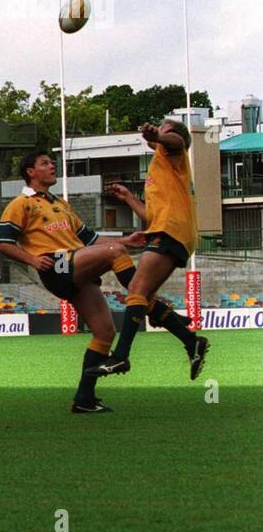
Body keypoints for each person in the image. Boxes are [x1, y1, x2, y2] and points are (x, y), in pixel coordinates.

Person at [0, 150, 153, 412]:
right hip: (57, 265)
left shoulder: (61, 204)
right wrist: (32, 260)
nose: (52, 166)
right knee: (115, 253)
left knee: (105, 332)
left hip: (76, 266)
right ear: (31, 172)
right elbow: (2, 242)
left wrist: (126, 240)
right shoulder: (21, 203)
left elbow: (90, 240)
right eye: (45, 163)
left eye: (51, 162)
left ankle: (84, 400)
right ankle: (150, 302)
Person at [88, 120, 210, 379]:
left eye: (161, 128)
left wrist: (159, 136)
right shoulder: (161, 165)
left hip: (171, 232)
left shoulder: (172, 152)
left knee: (136, 290)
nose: (155, 130)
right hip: (169, 231)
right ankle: (190, 340)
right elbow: (152, 216)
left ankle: (121, 357)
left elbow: (178, 141)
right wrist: (129, 198)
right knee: (144, 298)